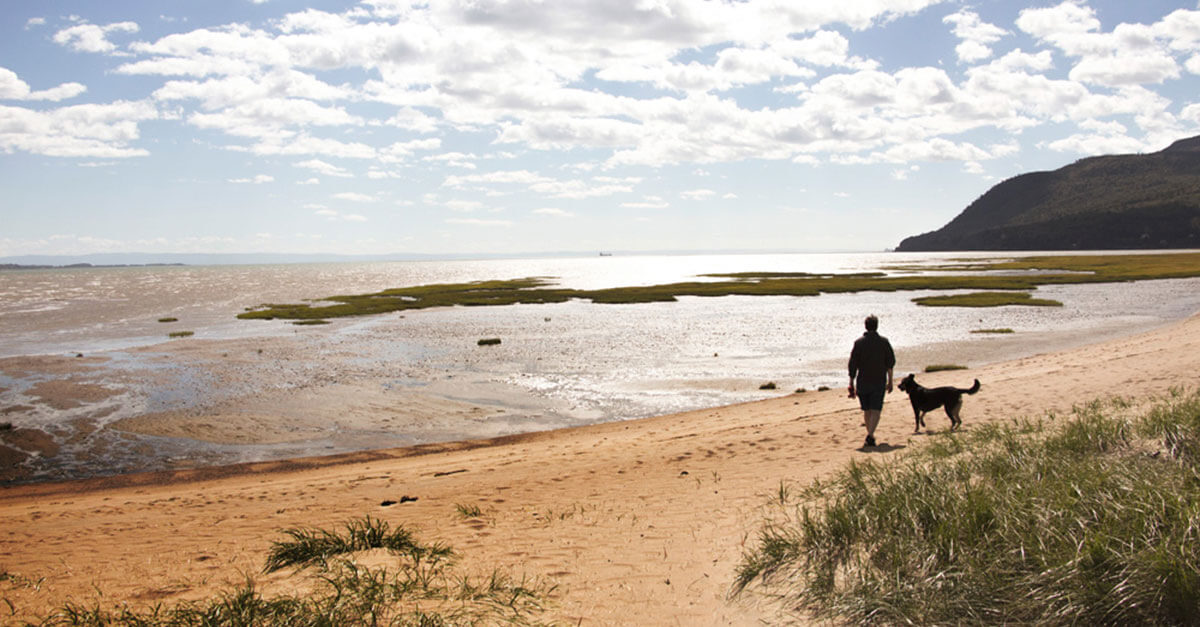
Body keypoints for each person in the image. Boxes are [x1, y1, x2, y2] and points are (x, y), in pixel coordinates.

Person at [848, 314, 895, 448]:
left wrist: (851, 382)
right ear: (877, 326)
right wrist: (890, 381)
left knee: (867, 410)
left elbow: (853, 364)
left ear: (866, 326)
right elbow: (890, 363)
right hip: (878, 380)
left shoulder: (859, 343)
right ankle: (870, 435)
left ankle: (871, 435)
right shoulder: (884, 342)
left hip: (863, 381)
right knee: (876, 409)